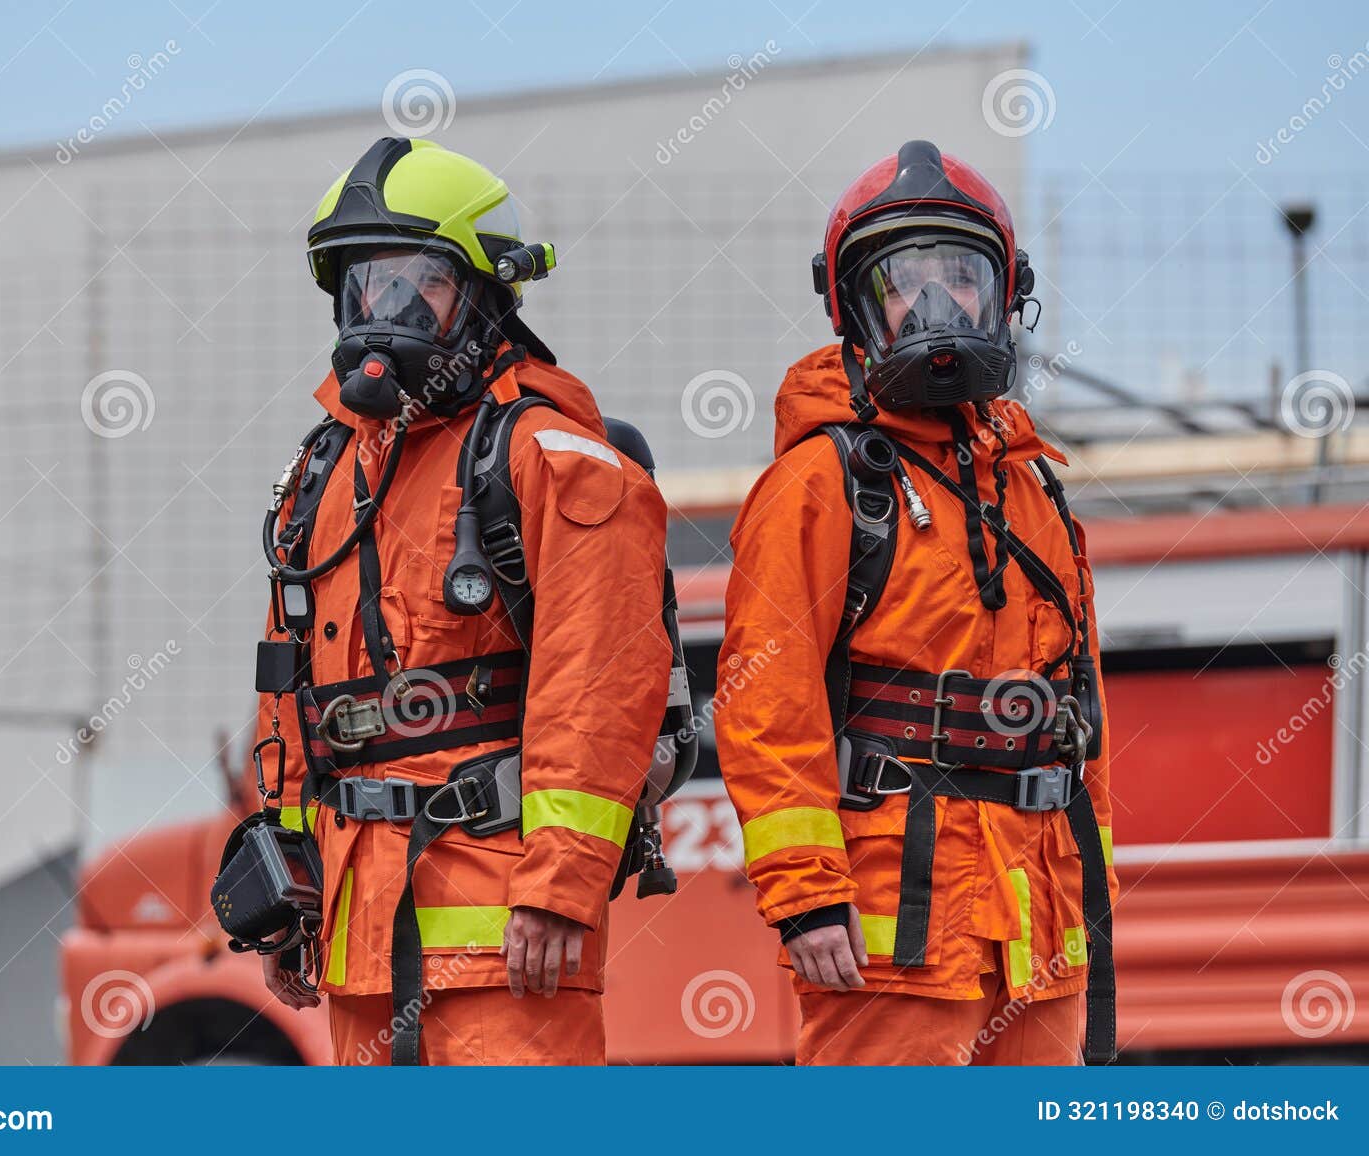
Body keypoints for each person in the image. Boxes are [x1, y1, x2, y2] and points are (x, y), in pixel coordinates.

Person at [252, 137, 673, 1066]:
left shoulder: (550, 461)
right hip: (359, 942)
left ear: (485, 293)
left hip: (506, 937)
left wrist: (561, 886)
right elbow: (292, 698)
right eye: (365, 285)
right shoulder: (324, 474)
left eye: (415, 283)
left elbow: (598, 686)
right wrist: (287, 886)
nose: (382, 312)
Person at [715, 140, 1119, 1066]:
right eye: (907, 281)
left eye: (961, 276)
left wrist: (1089, 901)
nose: (939, 305)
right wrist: (807, 894)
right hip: (892, 925)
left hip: (1038, 925)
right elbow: (762, 708)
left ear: (1005, 293)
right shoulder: (819, 485)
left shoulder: (1031, 488)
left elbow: (1081, 719)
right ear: (858, 306)